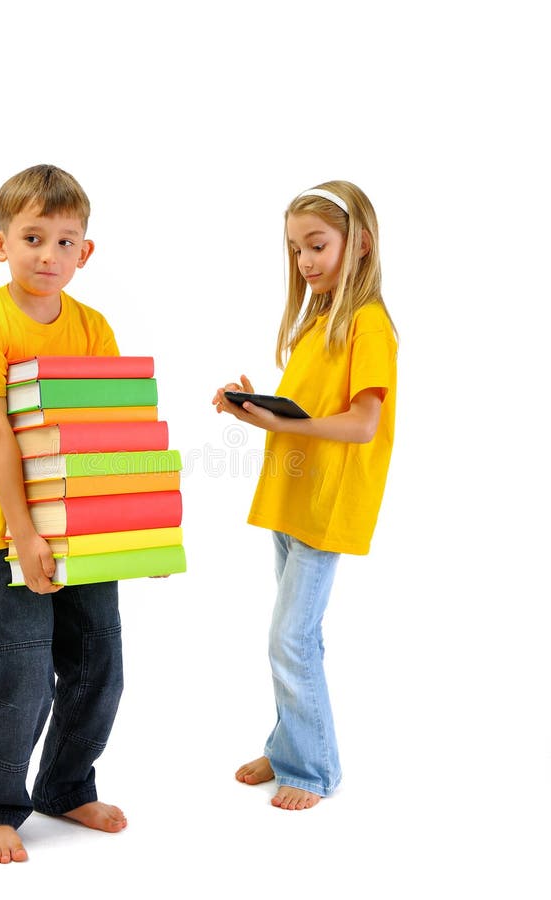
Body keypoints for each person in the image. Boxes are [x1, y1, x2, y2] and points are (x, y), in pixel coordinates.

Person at [0, 164, 127, 863]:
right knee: (22, 668)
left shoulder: (93, 328)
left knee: (98, 662)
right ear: (0, 243)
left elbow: (107, 430)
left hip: (81, 527)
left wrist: (127, 537)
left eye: (64, 241)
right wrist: (23, 535)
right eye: (32, 238)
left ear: (85, 252)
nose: (47, 255)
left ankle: (66, 784)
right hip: (6, 529)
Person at [213, 181, 397, 811]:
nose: (305, 262)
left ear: (361, 243)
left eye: (317, 245)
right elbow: (306, 413)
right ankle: (290, 738)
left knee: (289, 638)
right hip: (294, 497)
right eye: (295, 250)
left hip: (326, 505)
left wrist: (284, 424)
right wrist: (255, 408)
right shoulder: (318, 323)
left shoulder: (368, 325)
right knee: (295, 636)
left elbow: (361, 424)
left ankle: (313, 768)